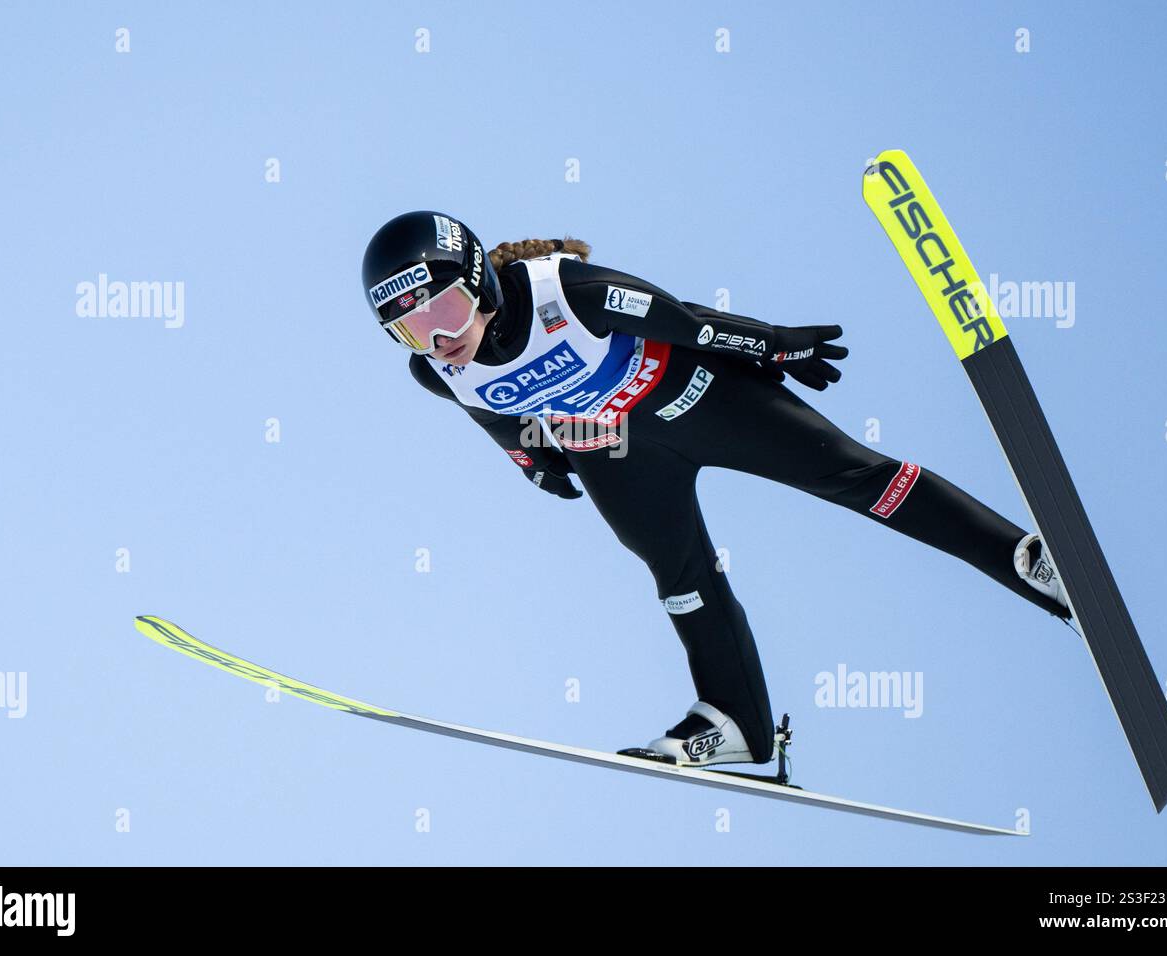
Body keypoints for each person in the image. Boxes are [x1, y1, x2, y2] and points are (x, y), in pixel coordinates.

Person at [362, 210, 1071, 768]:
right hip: (621, 450)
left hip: (701, 398)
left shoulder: (562, 292)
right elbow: (499, 421)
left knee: (856, 476)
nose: (437, 338)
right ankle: (734, 723)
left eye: (445, 311)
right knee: (679, 577)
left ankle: (1026, 560)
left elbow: (686, 320)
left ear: (480, 279)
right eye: (409, 329)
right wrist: (538, 463)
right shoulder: (438, 372)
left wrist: (770, 342)